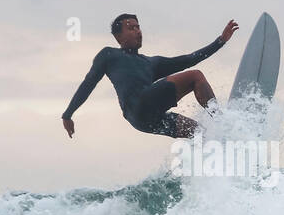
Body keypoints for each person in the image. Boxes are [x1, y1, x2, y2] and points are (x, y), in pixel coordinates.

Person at [62, 14, 239, 139]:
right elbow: (88, 84)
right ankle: (222, 123)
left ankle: (220, 153)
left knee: (201, 134)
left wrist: (220, 41)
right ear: (118, 36)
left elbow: (188, 59)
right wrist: (68, 114)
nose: (138, 31)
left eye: (139, 27)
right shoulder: (109, 55)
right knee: (196, 76)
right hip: (137, 105)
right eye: (131, 28)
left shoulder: (151, 63)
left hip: (146, 121)